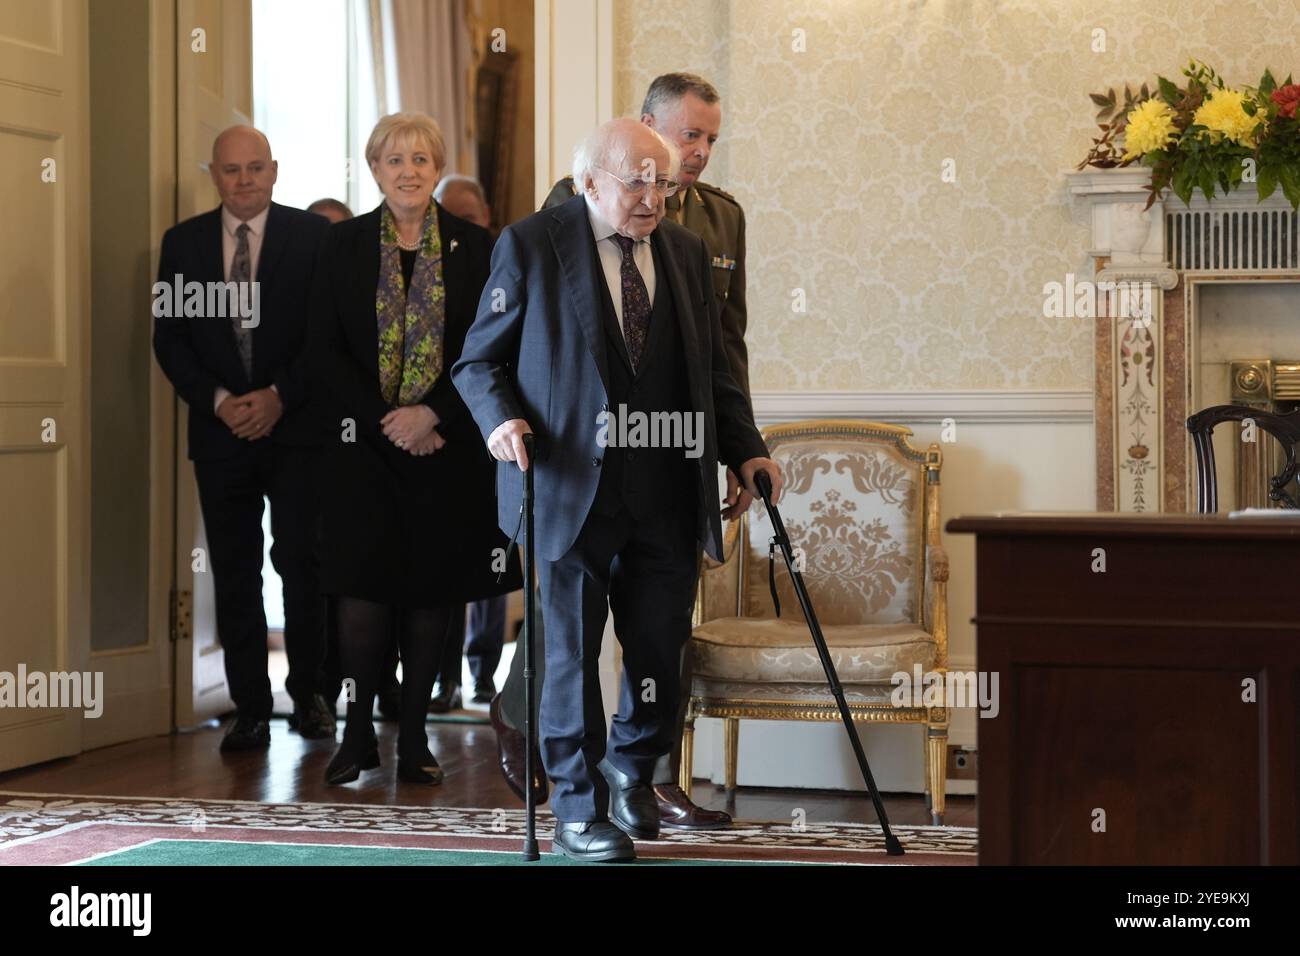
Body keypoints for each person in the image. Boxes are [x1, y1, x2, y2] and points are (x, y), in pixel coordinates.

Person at [452, 118, 782, 862]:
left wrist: (747, 453)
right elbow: (478, 363)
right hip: (567, 487)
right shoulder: (532, 244)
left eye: (660, 182)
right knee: (568, 654)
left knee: (658, 650)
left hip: (667, 485)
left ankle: (632, 771)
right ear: (589, 181)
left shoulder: (690, 255)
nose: (652, 197)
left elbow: (717, 373)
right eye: (636, 180)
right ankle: (576, 807)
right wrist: (500, 421)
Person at [311, 111, 521, 786]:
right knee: (363, 593)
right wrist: (386, 418)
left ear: (437, 169)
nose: (408, 171)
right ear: (374, 169)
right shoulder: (338, 247)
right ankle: (356, 734)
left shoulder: (480, 246)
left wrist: (432, 415)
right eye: (395, 159)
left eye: (422, 159)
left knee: (434, 594)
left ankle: (415, 741)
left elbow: (493, 348)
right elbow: (323, 349)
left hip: (447, 449)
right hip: (361, 451)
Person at [153, 126, 334, 752]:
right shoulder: (180, 245)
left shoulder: (315, 239)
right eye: (231, 170)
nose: (245, 179)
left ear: (275, 170)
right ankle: (250, 707)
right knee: (234, 571)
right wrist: (223, 402)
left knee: (302, 564)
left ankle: (312, 697)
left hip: (298, 430)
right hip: (220, 434)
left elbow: (326, 337)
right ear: (214, 175)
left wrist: (279, 396)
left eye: (255, 167)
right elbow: (168, 340)